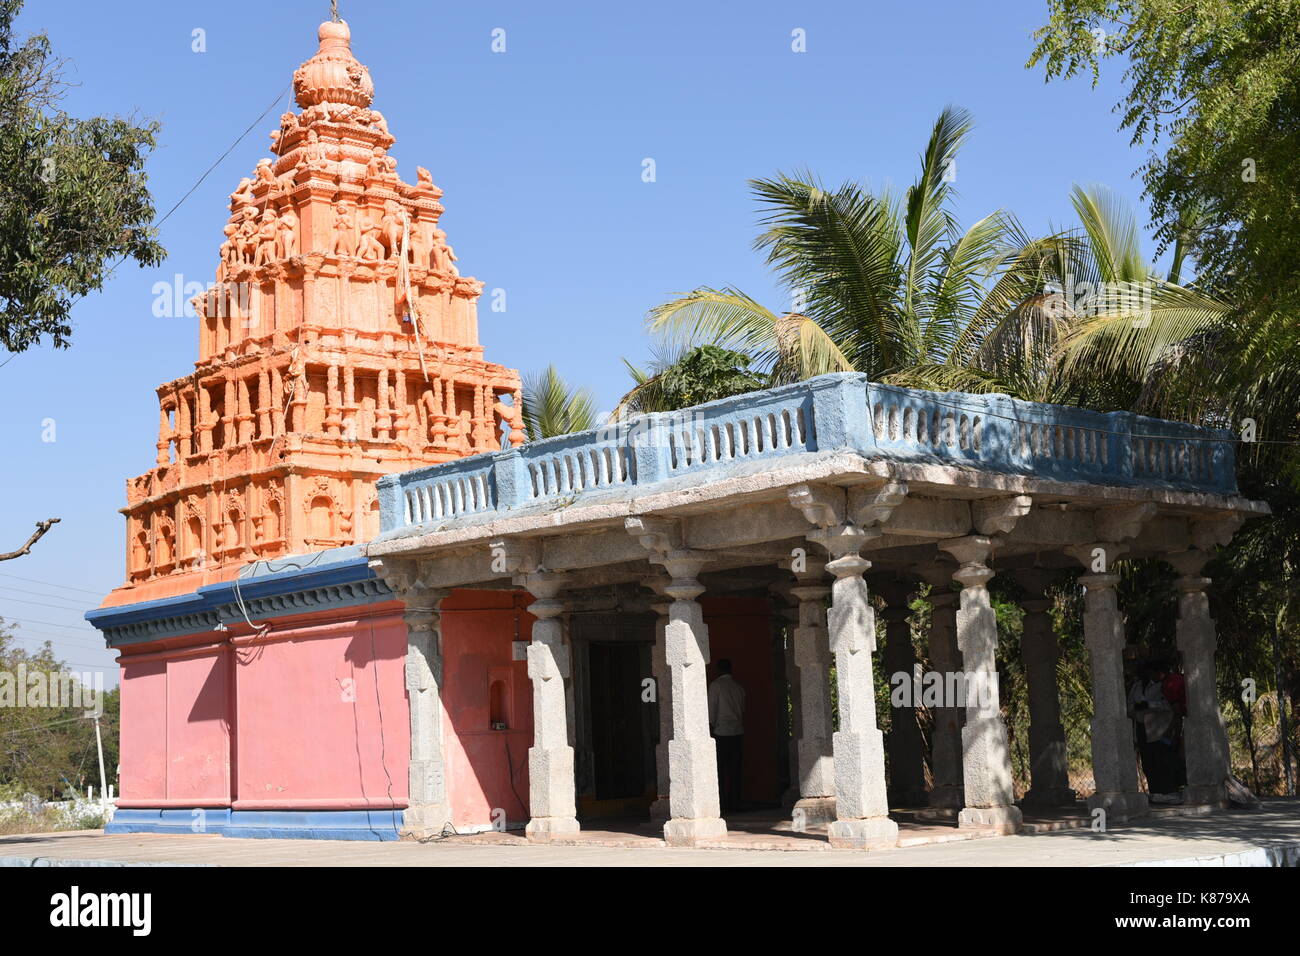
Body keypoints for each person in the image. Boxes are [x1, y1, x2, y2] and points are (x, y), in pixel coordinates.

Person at [1128, 659, 1181, 803]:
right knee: (1148, 763)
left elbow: (1170, 705)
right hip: (1141, 727)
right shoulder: (1137, 686)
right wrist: (1137, 708)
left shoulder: (1163, 685)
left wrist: (1149, 705)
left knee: (1163, 760)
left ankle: (1169, 792)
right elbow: (1129, 706)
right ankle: (1155, 793)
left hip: (1159, 728)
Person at [708, 658, 746, 814]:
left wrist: (710, 729)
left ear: (719, 670)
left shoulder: (715, 686)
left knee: (721, 770)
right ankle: (735, 801)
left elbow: (711, 710)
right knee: (735, 769)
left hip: (721, 732)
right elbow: (742, 710)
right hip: (737, 731)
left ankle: (722, 802)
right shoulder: (738, 688)